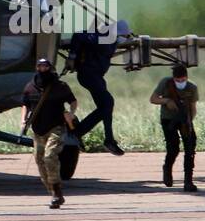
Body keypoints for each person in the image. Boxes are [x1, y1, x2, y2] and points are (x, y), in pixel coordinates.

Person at [66, 19, 129, 156]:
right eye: (120, 36)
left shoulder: (110, 40)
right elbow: (78, 36)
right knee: (108, 102)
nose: (121, 39)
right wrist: (71, 57)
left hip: (97, 76)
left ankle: (79, 133)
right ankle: (106, 139)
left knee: (105, 106)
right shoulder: (100, 37)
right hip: (88, 74)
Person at [22, 58, 78, 209]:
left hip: (56, 127)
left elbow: (73, 101)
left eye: (45, 66)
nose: (42, 68)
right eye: (40, 66)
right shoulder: (30, 87)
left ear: (50, 67)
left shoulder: (59, 86)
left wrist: (71, 114)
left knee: (50, 156)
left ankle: (57, 192)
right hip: (38, 130)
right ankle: (53, 192)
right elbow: (26, 105)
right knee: (40, 160)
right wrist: (23, 121)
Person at [150, 63, 198, 192]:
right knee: (173, 148)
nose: (180, 82)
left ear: (187, 78)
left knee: (190, 149)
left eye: (183, 80)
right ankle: (167, 169)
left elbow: (193, 108)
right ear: (173, 78)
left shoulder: (192, 88)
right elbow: (153, 99)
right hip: (168, 120)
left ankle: (188, 181)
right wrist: (166, 101)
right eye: (177, 80)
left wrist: (189, 123)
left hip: (184, 120)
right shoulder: (166, 83)